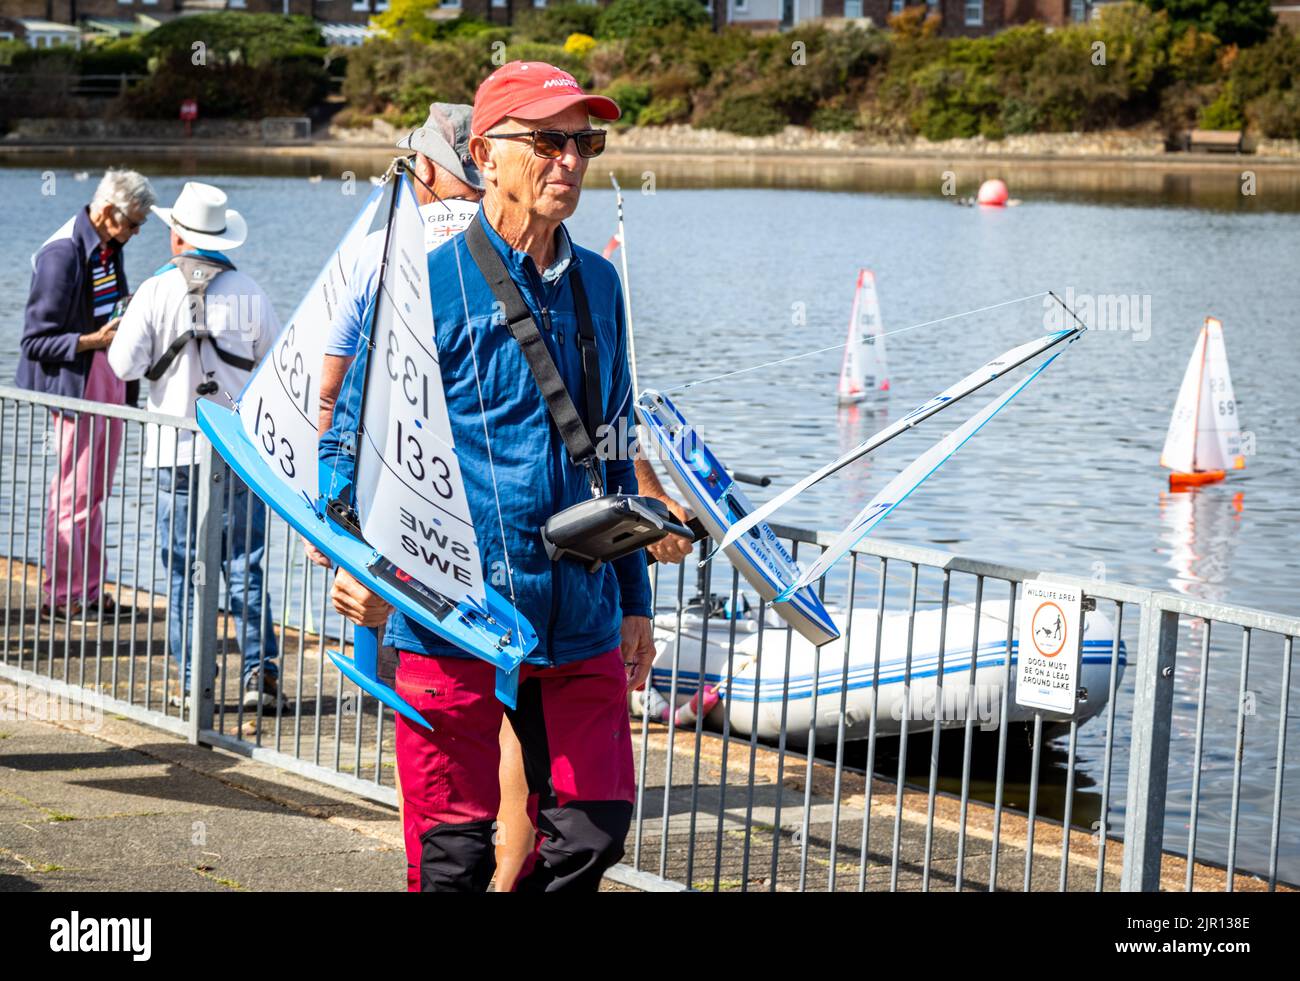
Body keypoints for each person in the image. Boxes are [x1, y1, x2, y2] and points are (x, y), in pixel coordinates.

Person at [322, 62, 657, 892]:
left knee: (594, 828)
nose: (571, 161)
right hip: (450, 613)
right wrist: (356, 562)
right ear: (487, 154)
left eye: (585, 142)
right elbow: (346, 445)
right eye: (548, 141)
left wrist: (637, 599)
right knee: (455, 858)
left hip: (578, 609)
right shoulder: (422, 286)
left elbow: (613, 450)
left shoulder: (603, 288)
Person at [107, 181, 283, 710]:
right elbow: (276, 367)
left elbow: (123, 367)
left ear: (177, 236)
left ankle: (193, 682)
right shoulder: (249, 290)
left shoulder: (154, 291)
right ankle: (260, 677)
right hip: (239, 450)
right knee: (245, 564)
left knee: (185, 571)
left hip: (175, 453)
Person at [17, 168, 155, 622]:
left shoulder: (108, 247)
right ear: (108, 211)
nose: (136, 233)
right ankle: (62, 597)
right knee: (73, 496)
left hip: (107, 377)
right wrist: (94, 340)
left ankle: (90, 590)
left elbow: (103, 307)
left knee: (94, 494)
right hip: (77, 384)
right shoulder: (61, 255)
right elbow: (36, 342)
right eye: (133, 223)